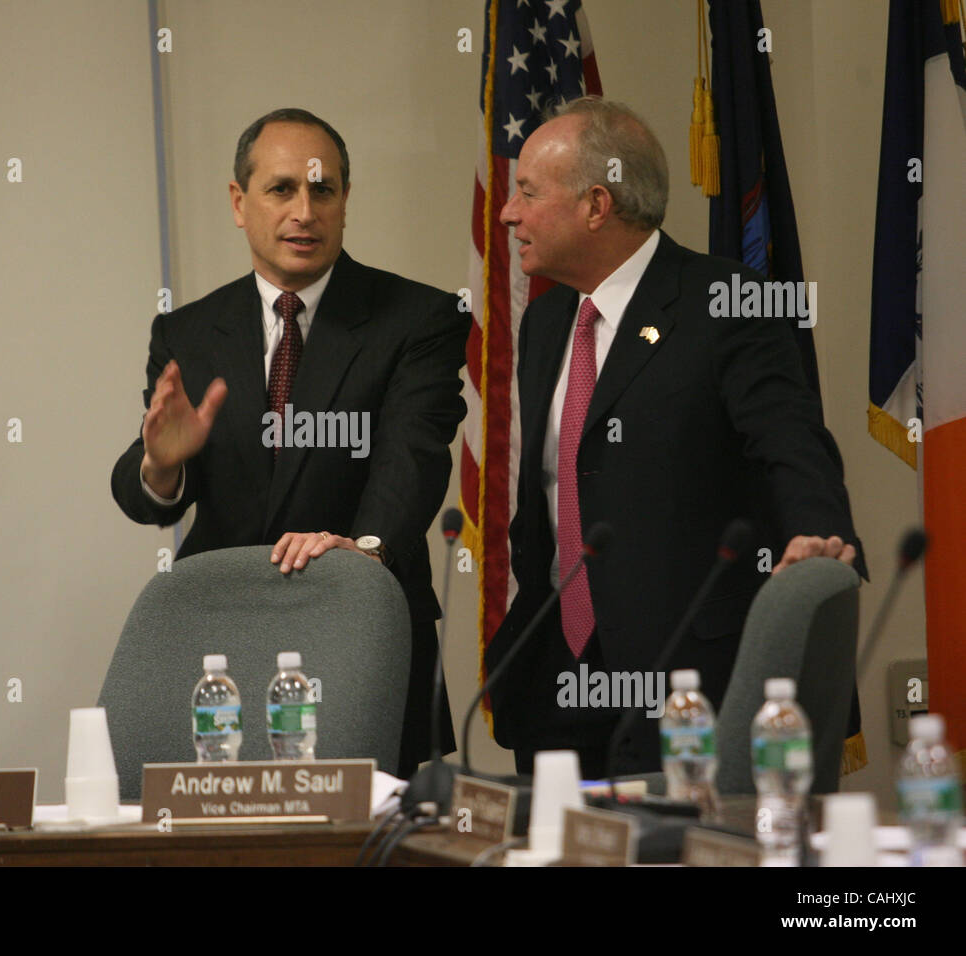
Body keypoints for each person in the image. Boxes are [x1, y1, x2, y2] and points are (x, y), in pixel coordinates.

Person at [485, 97, 863, 777]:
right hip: (559, 683)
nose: (508, 213)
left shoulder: (726, 301)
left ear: (596, 205)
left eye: (528, 193)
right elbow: (550, 492)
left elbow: (792, 442)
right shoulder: (546, 325)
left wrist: (818, 538)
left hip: (687, 681)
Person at [111, 108, 468, 777]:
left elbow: (412, 456)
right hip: (223, 641)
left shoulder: (419, 318)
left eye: (322, 189)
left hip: (361, 640)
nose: (304, 211)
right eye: (282, 190)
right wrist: (162, 465)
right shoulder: (187, 331)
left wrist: (361, 552)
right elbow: (146, 493)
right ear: (239, 203)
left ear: (344, 201)